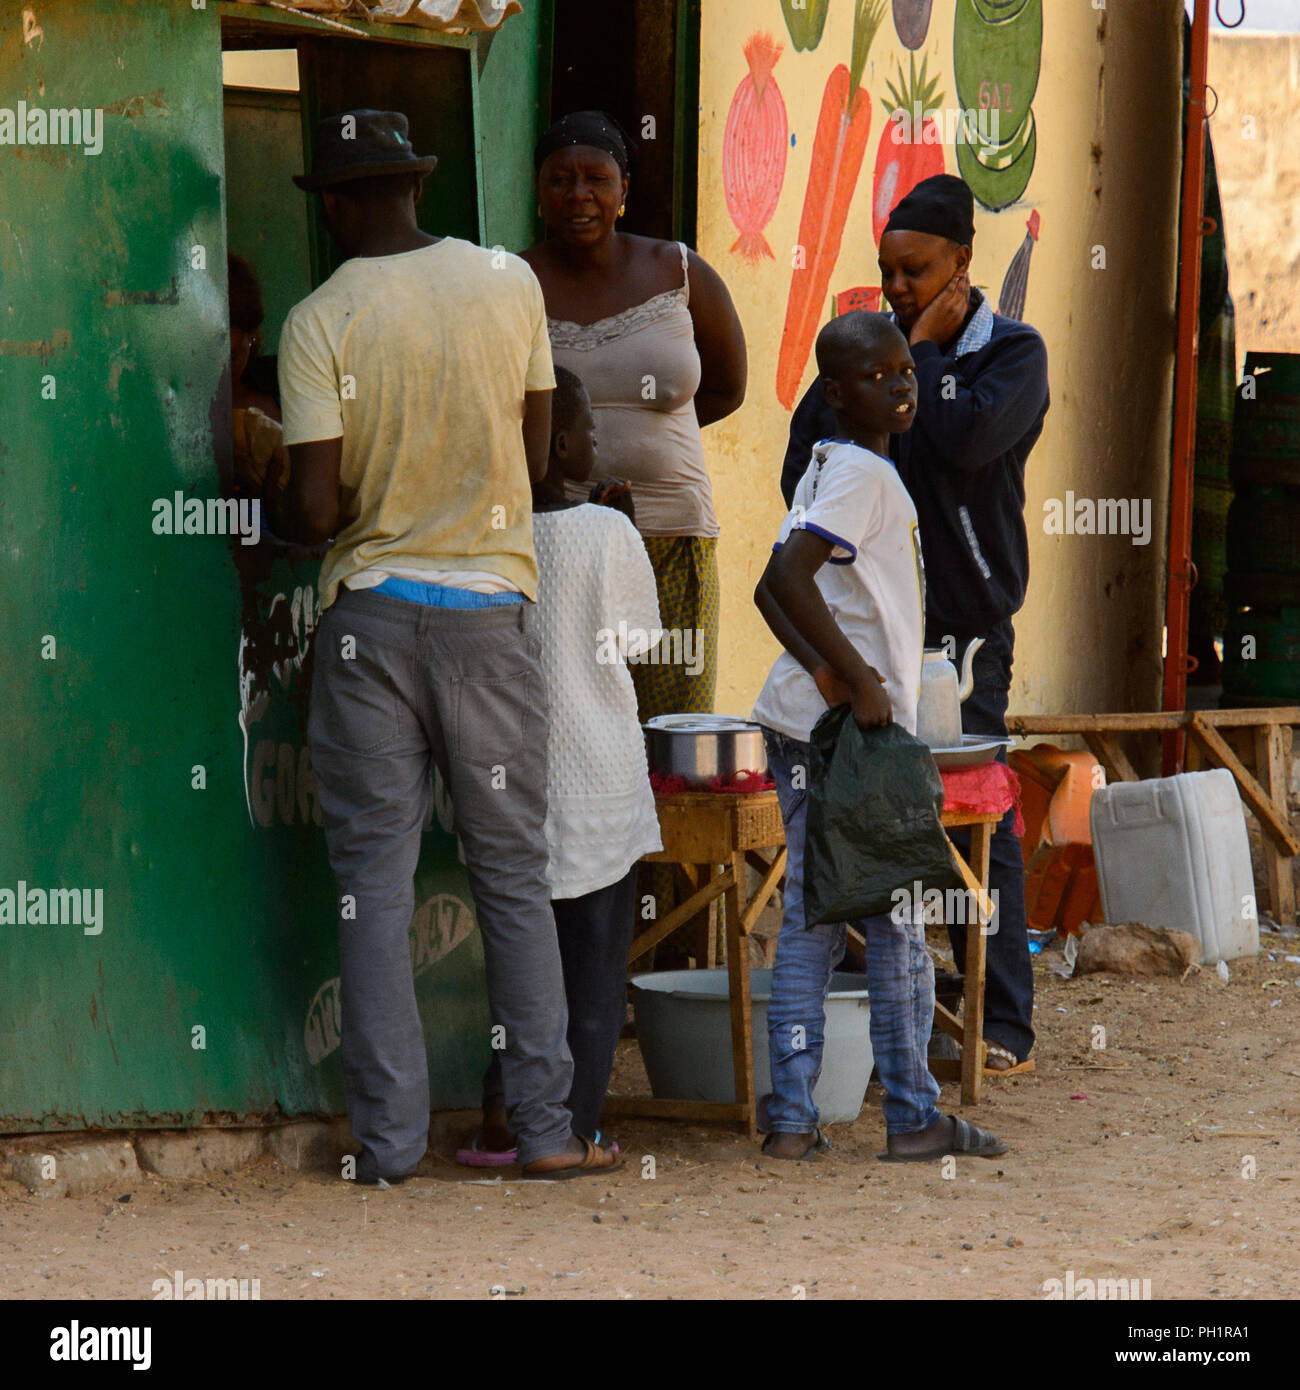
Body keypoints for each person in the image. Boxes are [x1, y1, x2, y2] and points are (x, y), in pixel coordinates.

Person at [269, 109, 618, 1184]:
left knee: (371, 887)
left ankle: (386, 1147)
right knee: (512, 874)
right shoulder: (507, 282)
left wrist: (278, 506)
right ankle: (548, 1131)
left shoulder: (317, 320)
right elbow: (532, 457)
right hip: (488, 617)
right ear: (418, 186)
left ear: (330, 204)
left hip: (369, 621)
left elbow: (320, 509)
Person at [778, 174, 1049, 1076]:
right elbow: (805, 466)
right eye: (887, 270)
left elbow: (966, 439)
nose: (896, 287)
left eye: (916, 269)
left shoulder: (1013, 353)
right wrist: (899, 361)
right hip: (879, 635)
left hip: (967, 630)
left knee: (979, 815)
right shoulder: (863, 354)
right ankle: (915, 1013)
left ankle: (1002, 1018)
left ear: (961, 263)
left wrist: (922, 358)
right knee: (880, 813)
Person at [752, 310, 1007, 1162]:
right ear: (835, 393)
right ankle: (912, 1118)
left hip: (807, 725)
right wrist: (855, 680)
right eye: (876, 376)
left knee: (815, 922)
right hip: (845, 738)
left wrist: (824, 671)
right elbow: (786, 578)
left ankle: (793, 1122)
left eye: (905, 371)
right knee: (896, 915)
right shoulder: (861, 475)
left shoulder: (829, 467)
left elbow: (767, 591)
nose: (900, 385)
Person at [458, 366, 663, 1164]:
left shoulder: (487, 537)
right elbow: (636, 642)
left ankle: (502, 1109)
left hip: (510, 778)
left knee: (521, 962)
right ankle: (574, 1127)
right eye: (592, 432)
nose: (599, 445)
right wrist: (629, 533)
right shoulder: (608, 533)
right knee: (593, 973)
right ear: (566, 443)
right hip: (600, 779)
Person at [522, 110, 747, 721]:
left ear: (625, 191)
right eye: (560, 180)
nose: (579, 196)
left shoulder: (678, 271)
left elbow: (728, 388)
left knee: (671, 730)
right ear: (539, 194)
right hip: (555, 540)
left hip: (673, 537)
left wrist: (640, 443)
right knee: (572, 721)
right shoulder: (513, 282)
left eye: (596, 178)